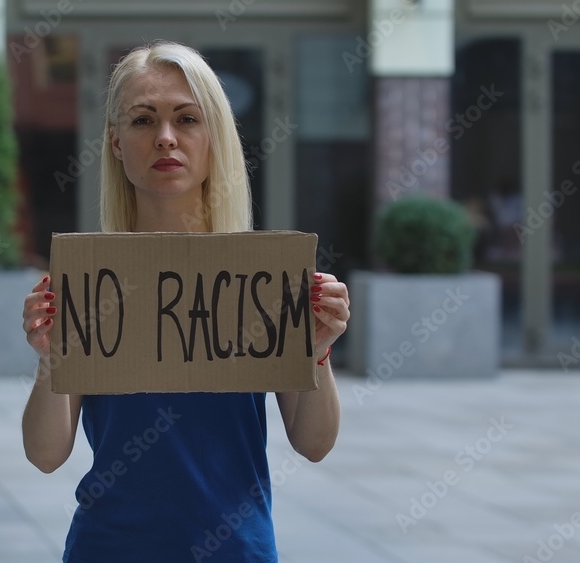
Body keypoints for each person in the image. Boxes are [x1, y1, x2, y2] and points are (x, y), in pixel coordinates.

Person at [21, 40, 349, 563]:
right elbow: (45, 454)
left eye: (187, 119)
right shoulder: (90, 281)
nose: (166, 138)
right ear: (115, 143)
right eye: (143, 120)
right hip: (108, 549)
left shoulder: (261, 279)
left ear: (214, 136)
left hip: (237, 551)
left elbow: (314, 443)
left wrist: (319, 349)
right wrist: (49, 359)